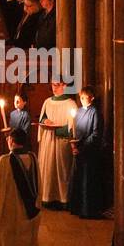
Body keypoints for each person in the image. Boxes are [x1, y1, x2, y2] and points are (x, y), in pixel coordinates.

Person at [37, 80, 75, 207]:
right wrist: (46, 120)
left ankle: (63, 198)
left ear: (64, 86)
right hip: (48, 139)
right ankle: (47, 197)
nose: (54, 87)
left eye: (57, 84)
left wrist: (60, 129)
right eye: (53, 84)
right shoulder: (48, 102)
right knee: (48, 168)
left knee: (62, 169)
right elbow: (42, 117)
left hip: (61, 140)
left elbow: (73, 124)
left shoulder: (70, 103)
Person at [68, 88, 105, 218]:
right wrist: (73, 143)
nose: (82, 100)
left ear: (92, 98)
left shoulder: (95, 113)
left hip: (89, 152)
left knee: (87, 182)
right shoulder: (78, 112)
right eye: (81, 98)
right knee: (77, 179)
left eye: (85, 97)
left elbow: (95, 134)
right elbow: (74, 129)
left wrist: (82, 147)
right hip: (78, 150)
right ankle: (77, 208)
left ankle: (87, 210)